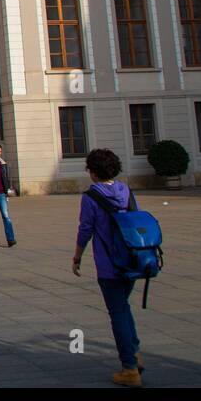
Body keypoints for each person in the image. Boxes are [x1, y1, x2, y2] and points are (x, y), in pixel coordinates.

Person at [72, 147, 145, 387]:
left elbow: (86, 229)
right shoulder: (125, 190)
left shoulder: (91, 196)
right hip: (133, 259)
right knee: (123, 308)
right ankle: (134, 354)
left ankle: (129, 369)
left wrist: (77, 256)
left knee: (118, 313)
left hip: (109, 265)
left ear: (92, 172)